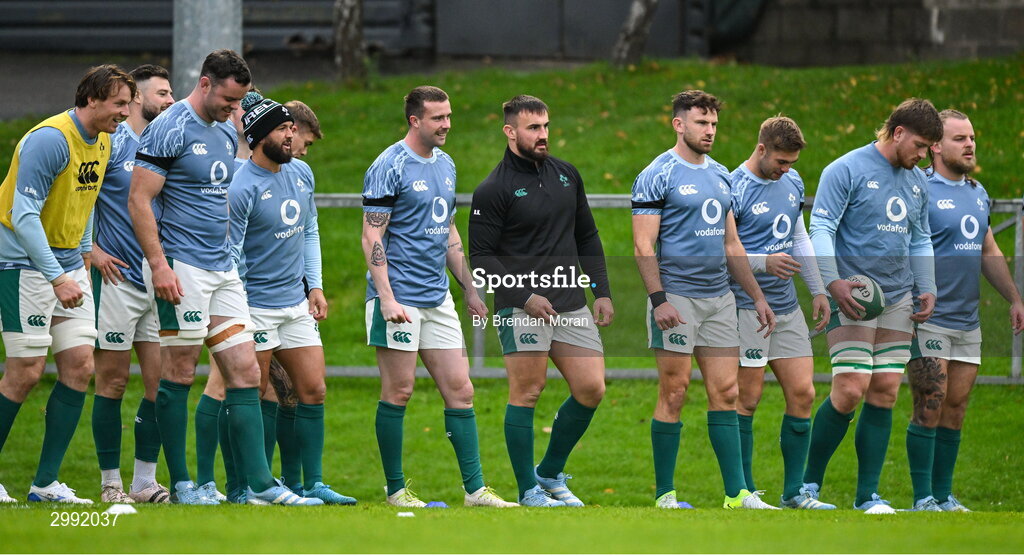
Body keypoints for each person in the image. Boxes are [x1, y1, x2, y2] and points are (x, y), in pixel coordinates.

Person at [129, 49, 320, 506]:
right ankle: (182, 485)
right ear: (206, 82)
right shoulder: (169, 127)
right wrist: (159, 265)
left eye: (239, 104)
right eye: (229, 101)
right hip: (182, 265)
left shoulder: (221, 131)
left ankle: (260, 484)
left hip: (222, 270)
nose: (235, 111)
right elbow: (139, 200)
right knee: (178, 373)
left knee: (244, 371)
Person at [363, 85, 515, 508]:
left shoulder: (446, 164)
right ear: (415, 120)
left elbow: (447, 231)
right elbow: (371, 233)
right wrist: (387, 298)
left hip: (437, 296)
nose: (447, 124)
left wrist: (469, 286)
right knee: (400, 391)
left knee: (461, 390)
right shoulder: (389, 165)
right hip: (399, 299)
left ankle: (475, 491)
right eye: (438, 118)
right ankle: (395, 492)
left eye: (448, 116)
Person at [631, 89, 778, 510]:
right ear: (679, 124)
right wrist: (659, 300)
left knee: (727, 392)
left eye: (713, 123)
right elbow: (643, 246)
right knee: (675, 392)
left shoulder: (721, 176)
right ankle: (665, 495)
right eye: (701, 122)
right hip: (677, 297)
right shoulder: (657, 174)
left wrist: (756, 296)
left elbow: (733, 244)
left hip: (720, 299)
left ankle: (738, 495)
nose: (710, 130)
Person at [470, 94, 613, 507]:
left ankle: (548, 473)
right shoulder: (493, 189)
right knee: (527, 392)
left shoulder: (567, 174)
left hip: (570, 302)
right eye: (534, 128)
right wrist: (523, 295)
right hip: (520, 307)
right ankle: (527, 491)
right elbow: (481, 258)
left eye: (546, 126)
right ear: (510, 132)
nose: (543, 135)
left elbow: (587, 235)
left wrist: (601, 290)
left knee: (591, 388)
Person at [0, 65, 135, 504]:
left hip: (66, 264)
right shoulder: (50, 139)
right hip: (21, 264)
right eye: (119, 104)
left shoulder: (105, 141)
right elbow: (22, 216)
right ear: (93, 98)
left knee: (80, 367)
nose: (125, 112)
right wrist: (57, 276)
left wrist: (83, 251)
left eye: (128, 104)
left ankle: (44, 484)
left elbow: (87, 197)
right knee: (24, 373)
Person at [805, 98, 942, 514]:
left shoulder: (917, 181)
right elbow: (822, 226)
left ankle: (868, 496)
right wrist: (832, 282)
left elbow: (920, 236)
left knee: (884, 390)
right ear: (897, 132)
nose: (923, 156)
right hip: (854, 294)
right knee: (849, 389)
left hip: (899, 297)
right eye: (919, 145)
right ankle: (805, 486)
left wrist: (928, 285)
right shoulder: (845, 169)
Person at [227, 92, 356, 504]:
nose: (291, 135)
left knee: (312, 389)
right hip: (256, 306)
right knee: (255, 391)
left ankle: (312, 483)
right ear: (260, 134)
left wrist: (313, 285)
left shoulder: (301, 173)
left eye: (291, 128)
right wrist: (241, 305)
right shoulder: (240, 186)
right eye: (283, 129)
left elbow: (310, 230)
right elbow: (232, 253)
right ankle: (252, 486)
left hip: (294, 304)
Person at [904, 109, 1024, 512]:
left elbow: (988, 249)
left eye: (972, 137)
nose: (970, 144)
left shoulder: (977, 192)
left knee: (955, 408)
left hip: (966, 322)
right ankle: (922, 498)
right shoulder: (916, 187)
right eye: (960, 138)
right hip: (927, 318)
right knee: (930, 402)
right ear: (935, 145)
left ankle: (943, 496)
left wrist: (1014, 298)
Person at [728, 116, 834, 509]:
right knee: (748, 399)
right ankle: (744, 492)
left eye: (791, 162)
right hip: (745, 308)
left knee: (804, 393)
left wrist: (818, 289)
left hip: (787, 307)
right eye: (781, 161)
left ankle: (794, 494)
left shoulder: (792, 182)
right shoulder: (732, 187)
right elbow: (722, 253)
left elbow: (798, 235)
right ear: (761, 149)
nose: (786, 169)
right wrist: (763, 263)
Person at [89, 64, 174, 504]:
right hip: (116, 277)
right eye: (162, 92)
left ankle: (144, 482)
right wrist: (93, 251)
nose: (170, 99)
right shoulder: (110, 143)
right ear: (138, 98)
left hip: (157, 279)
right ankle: (110, 484)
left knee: (160, 385)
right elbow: (79, 195)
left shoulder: (167, 143)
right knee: (114, 382)